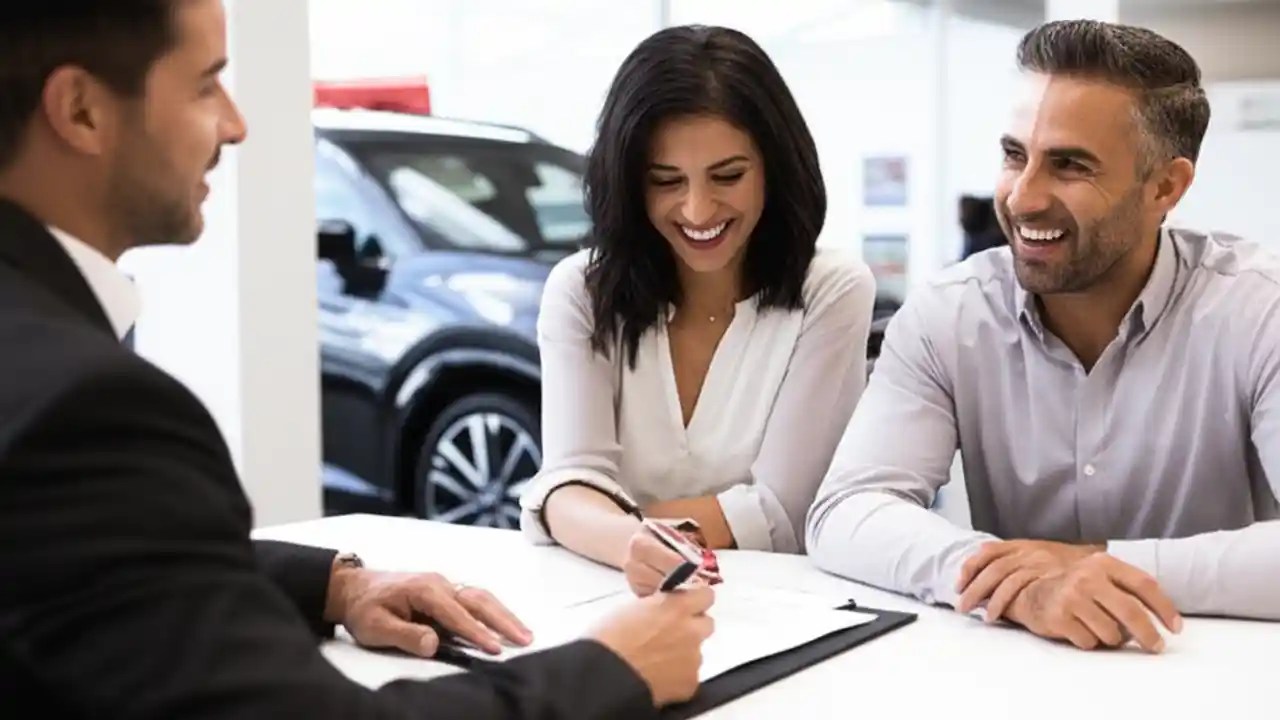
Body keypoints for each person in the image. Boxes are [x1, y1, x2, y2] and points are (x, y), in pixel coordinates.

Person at [0, 2, 714, 717]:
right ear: (81, 110)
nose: (236, 124)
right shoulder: (86, 406)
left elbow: (99, 562)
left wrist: (336, 586)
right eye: (205, 84)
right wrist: (610, 669)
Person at [807, 19, 1280, 654]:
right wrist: (1016, 583)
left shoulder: (1258, 310)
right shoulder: (950, 314)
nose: (1022, 198)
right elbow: (848, 510)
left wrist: (1095, 566)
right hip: (1019, 674)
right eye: (1013, 155)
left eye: (1070, 165)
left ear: (1166, 186)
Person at [519, 25, 876, 596]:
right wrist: (628, 545)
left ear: (774, 167)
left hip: (782, 609)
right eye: (666, 181)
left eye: (728, 176)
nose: (697, 208)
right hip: (612, 599)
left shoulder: (832, 291)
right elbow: (567, 482)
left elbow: (783, 512)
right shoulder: (581, 292)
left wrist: (607, 527)